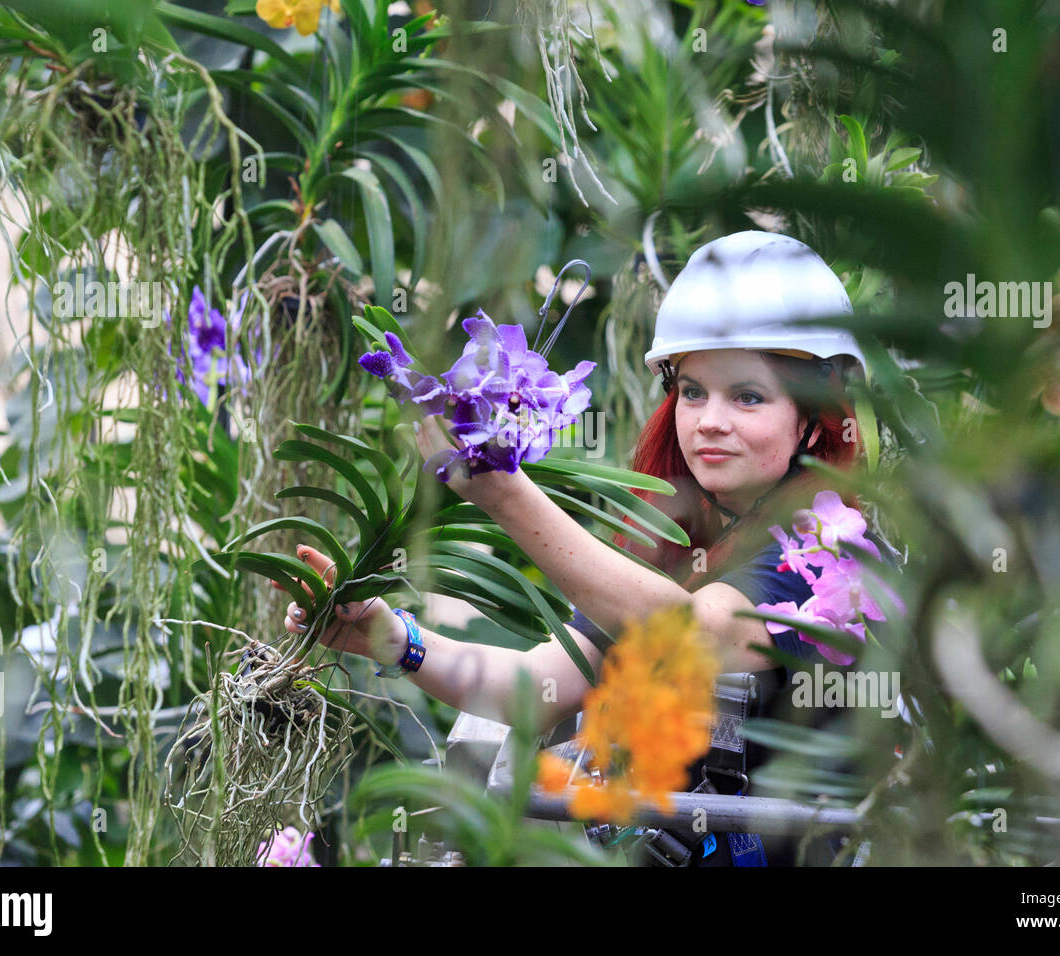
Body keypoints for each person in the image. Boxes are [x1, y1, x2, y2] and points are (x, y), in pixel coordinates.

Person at [278, 231, 871, 866]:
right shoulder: (675, 549)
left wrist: (507, 495)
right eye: (693, 391)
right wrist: (393, 639)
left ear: (814, 415)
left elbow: (694, 635)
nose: (709, 420)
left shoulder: (826, 554)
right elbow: (532, 690)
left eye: (747, 396)